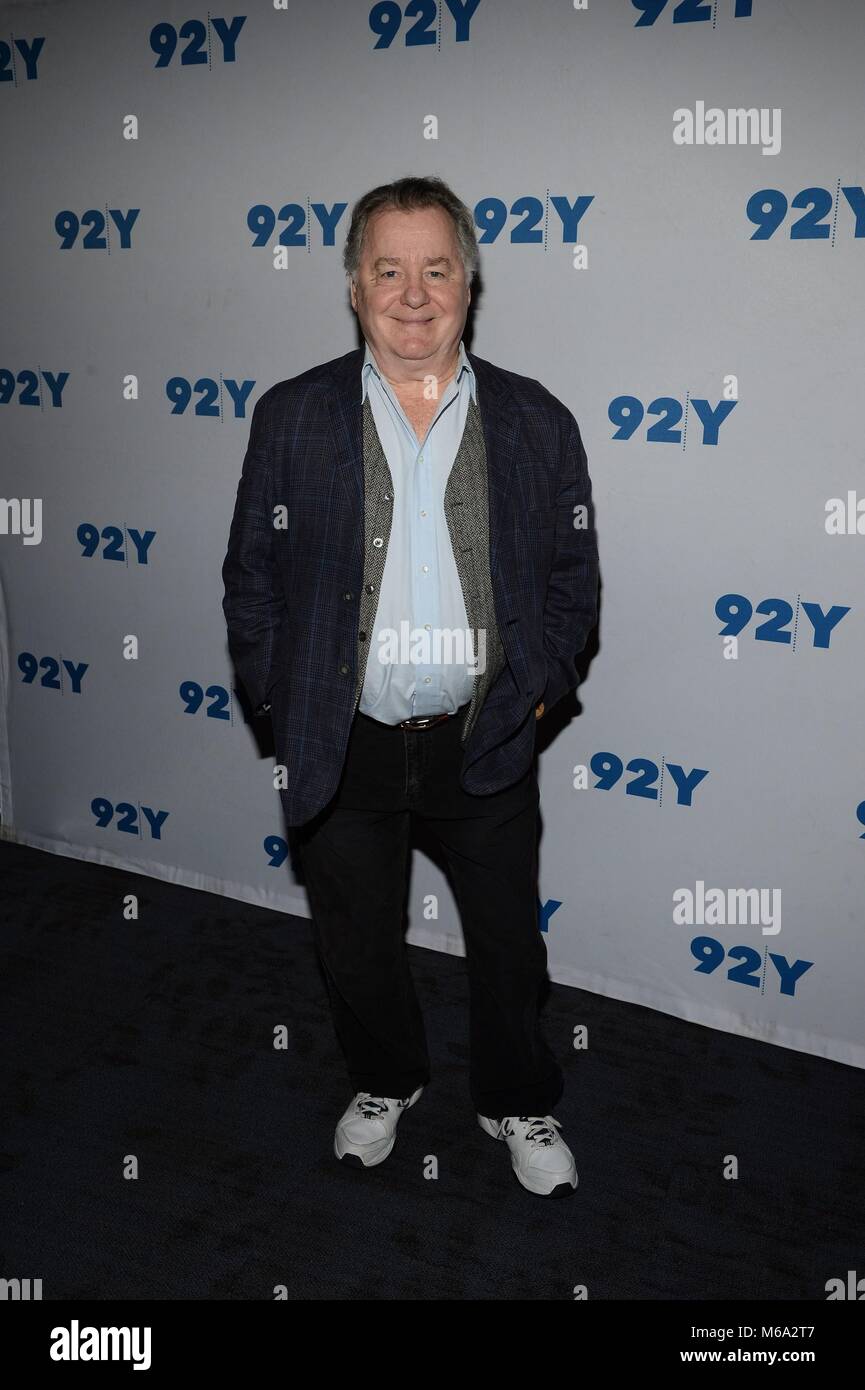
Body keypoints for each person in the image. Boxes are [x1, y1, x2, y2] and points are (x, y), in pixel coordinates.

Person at [222, 175, 599, 1197]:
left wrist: (532, 694)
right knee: (353, 943)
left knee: (511, 946)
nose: (414, 292)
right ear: (354, 286)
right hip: (343, 739)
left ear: (469, 284)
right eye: (389, 269)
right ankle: (387, 1078)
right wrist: (281, 701)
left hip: (483, 737)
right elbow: (251, 576)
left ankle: (516, 1096)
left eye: (437, 268)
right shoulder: (293, 416)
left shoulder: (535, 422)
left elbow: (573, 584)